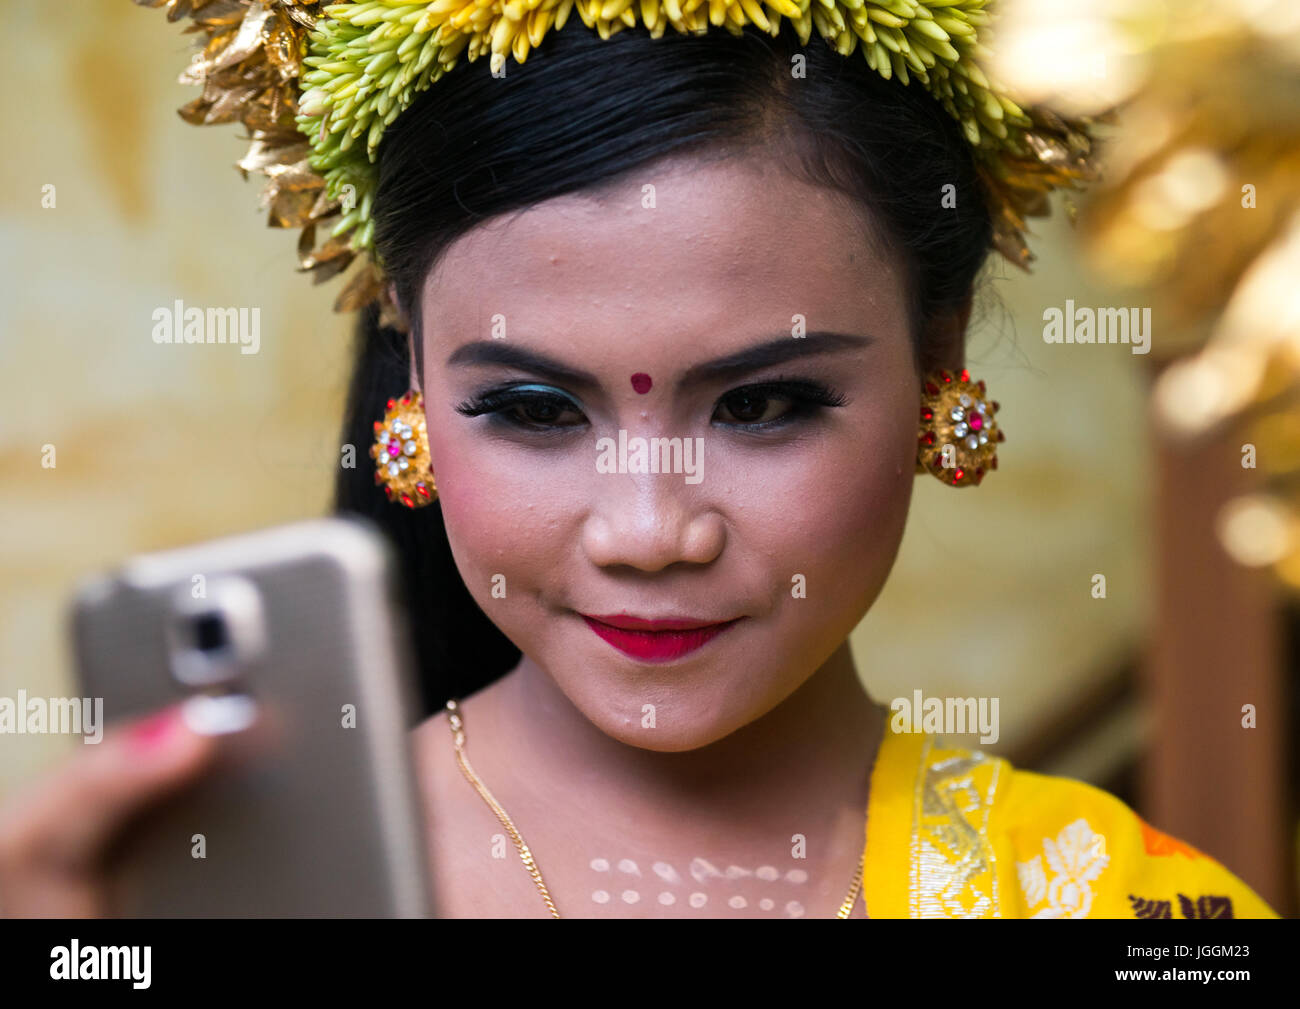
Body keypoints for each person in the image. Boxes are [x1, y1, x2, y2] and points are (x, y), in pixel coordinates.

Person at [0, 1, 1278, 918]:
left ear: (937, 359)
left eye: (767, 403)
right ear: (412, 375)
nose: (650, 531)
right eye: (538, 411)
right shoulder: (206, 895)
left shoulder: (1136, 913)